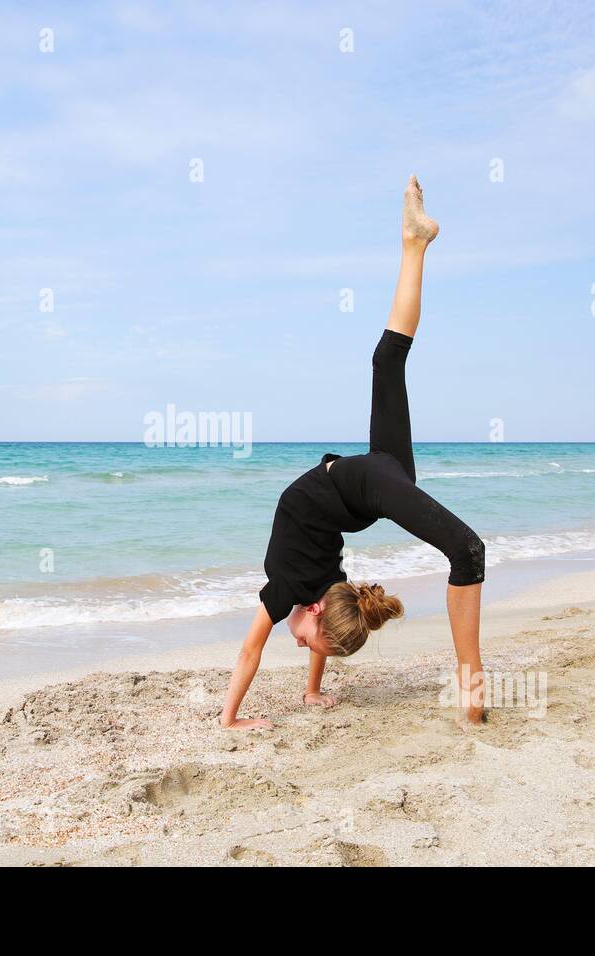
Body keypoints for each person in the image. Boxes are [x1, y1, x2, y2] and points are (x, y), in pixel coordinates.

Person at [219, 175, 487, 730]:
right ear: (318, 610)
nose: (302, 647)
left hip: (371, 485)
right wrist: (281, 703)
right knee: (468, 551)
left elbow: (253, 652)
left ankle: (414, 242)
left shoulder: (298, 592)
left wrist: (233, 720)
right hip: (371, 485)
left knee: (388, 363)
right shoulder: (310, 593)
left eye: (315, 651)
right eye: (315, 646)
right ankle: (414, 244)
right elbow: (287, 643)